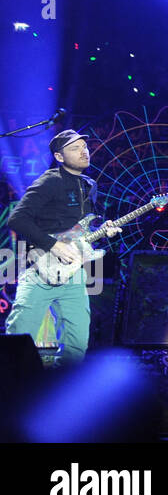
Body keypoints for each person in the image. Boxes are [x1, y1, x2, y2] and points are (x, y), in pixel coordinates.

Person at [5, 130, 120, 365]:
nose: (83, 151)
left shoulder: (89, 185)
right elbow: (16, 220)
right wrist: (54, 245)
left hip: (73, 273)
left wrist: (103, 229)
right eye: (74, 148)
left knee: (76, 344)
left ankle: (58, 391)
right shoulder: (50, 181)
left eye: (84, 146)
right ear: (59, 156)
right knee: (17, 338)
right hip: (40, 270)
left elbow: (83, 228)